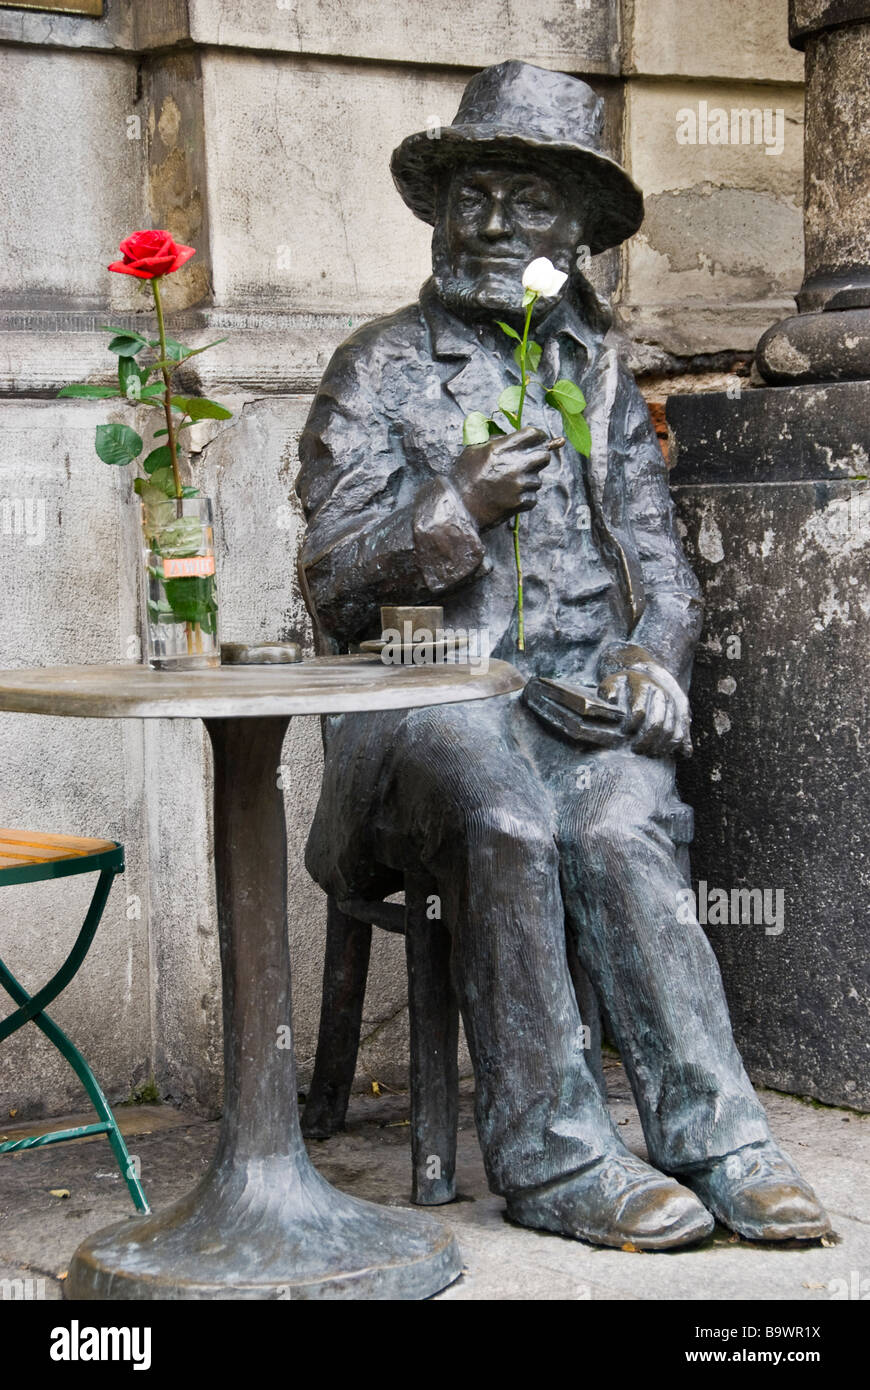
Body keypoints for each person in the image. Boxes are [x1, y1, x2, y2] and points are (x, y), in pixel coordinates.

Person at [295, 60, 830, 1249]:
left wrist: (652, 654)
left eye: (530, 203)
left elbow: (657, 557)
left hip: (576, 708)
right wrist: (454, 504)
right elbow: (329, 587)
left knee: (617, 821)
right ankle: (557, 1159)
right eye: (474, 195)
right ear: (438, 211)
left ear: (579, 232)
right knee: (509, 817)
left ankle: (720, 1136)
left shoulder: (593, 365)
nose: (493, 224)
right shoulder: (379, 366)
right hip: (420, 713)